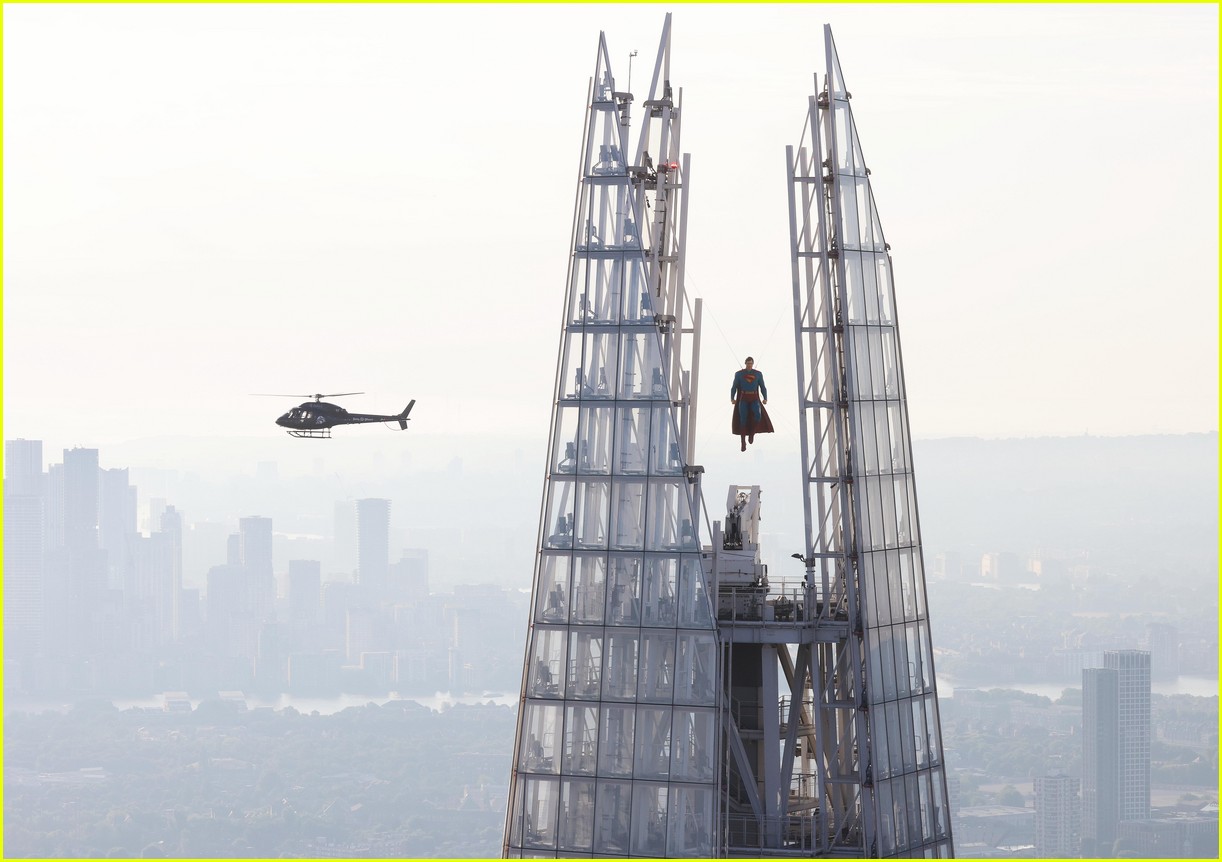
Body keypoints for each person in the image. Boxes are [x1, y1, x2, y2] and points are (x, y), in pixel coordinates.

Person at [730, 356, 774, 451]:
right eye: (748, 364)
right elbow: (734, 387)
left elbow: (763, 387)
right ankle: (743, 442)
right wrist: (732, 398)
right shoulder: (739, 374)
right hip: (743, 398)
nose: (749, 365)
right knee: (743, 419)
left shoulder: (758, 374)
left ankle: (752, 433)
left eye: (751, 364)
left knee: (758, 415)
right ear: (745, 364)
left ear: (752, 364)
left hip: (754, 398)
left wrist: (765, 398)